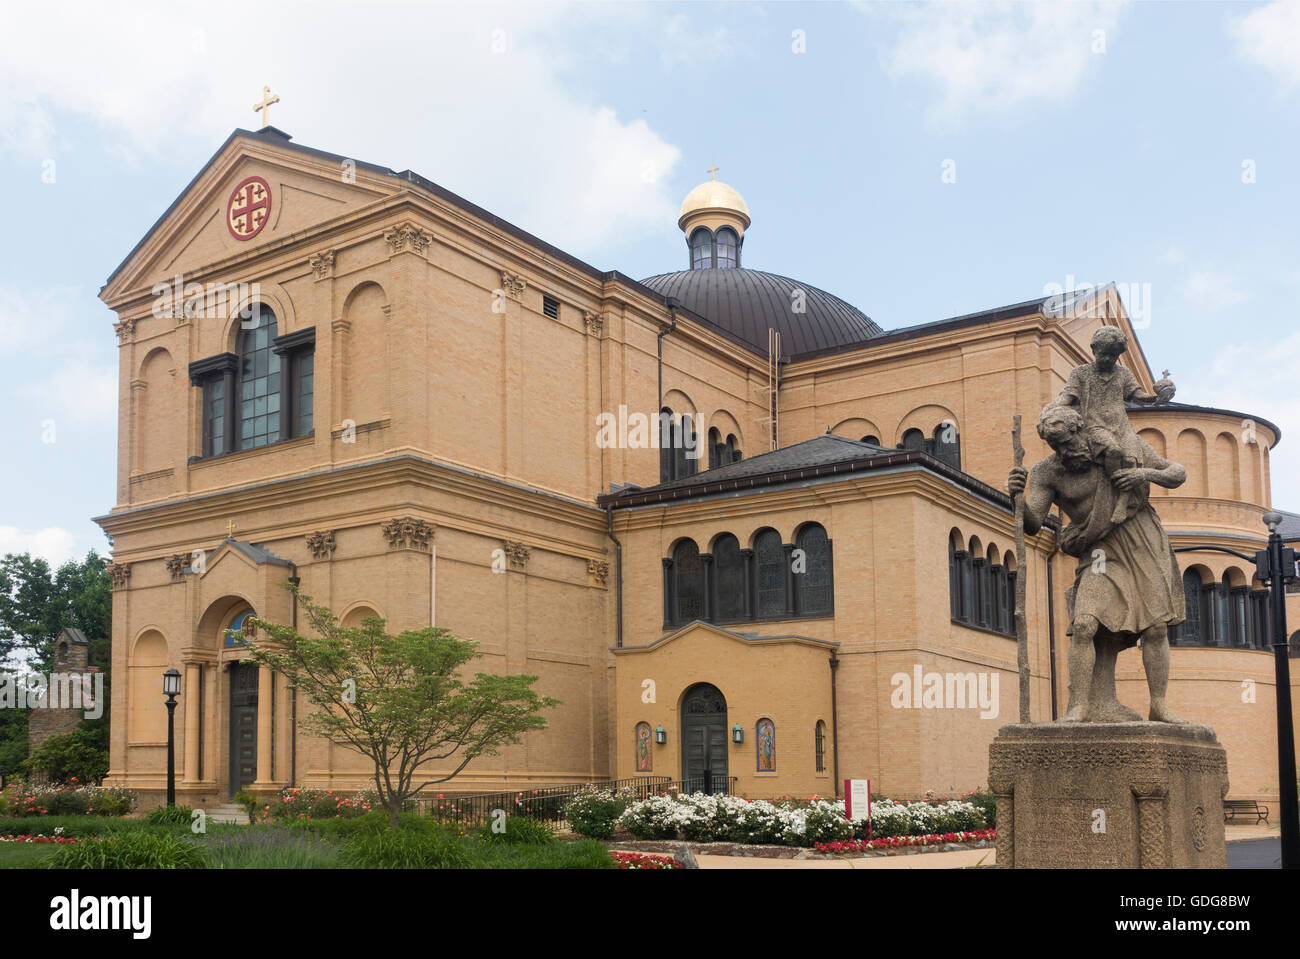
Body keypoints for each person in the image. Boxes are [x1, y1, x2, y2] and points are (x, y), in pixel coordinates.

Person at [1008, 404, 1187, 723]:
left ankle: (1158, 703)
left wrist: (1141, 474)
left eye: (1067, 441)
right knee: (1085, 623)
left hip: (1140, 538)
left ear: (1080, 430)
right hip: (1099, 552)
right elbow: (1033, 523)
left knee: (1156, 626)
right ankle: (1079, 705)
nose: (1064, 451)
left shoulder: (1122, 447)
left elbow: (1176, 473)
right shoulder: (1048, 471)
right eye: (1055, 446)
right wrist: (1017, 498)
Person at [1054, 326, 1172, 523]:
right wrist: (1054, 408)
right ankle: (1115, 491)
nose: (1108, 359)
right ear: (1094, 350)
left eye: (1113, 355)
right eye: (1104, 354)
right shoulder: (1081, 373)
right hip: (1095, 425)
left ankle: (1123, 501)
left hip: (1121, 425)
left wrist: (1156, 399)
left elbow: (1137, 396)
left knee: (1131, 459)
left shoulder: (1123, 373)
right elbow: (1067, 396)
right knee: (1114, 450)